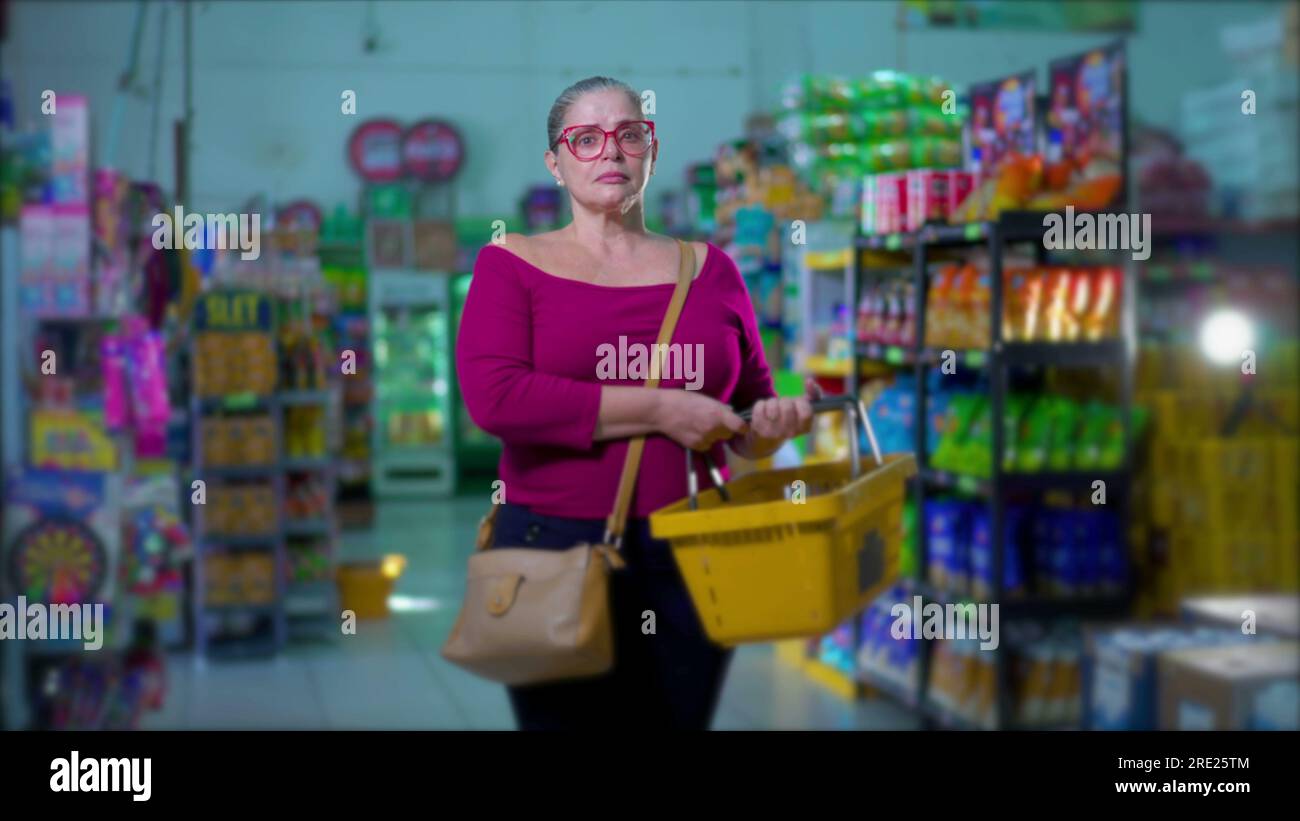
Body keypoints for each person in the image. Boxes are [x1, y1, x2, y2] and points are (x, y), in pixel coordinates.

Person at [455, 76, 818, 731]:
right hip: (552, 548)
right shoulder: (510, 264)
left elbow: (746, 414)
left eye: (629, 134)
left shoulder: (712, 271)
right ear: (556, 163)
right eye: (586, 139)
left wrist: (773, 423)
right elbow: (497, 397)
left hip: (695, 549)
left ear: (651, 148)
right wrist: (657, 409)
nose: (610, 153)